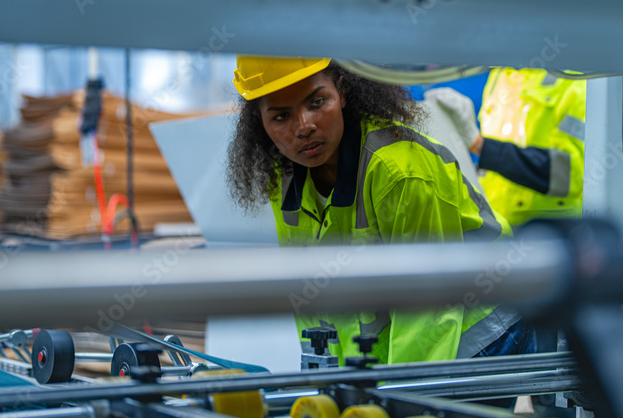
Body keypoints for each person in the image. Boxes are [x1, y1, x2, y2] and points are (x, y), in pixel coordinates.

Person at [227, 56, 534, 366]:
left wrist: (400, 400)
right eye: (281, 116)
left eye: (318, 102)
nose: (304, 126)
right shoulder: (285, 183)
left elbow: (427, 312)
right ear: (260, 122)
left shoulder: (399, 171)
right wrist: (326, 378)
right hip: (410, 339)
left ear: (342, 92)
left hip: (481, 332)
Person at [427, 67, 586, 228]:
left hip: (546, 232)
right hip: (497, 225)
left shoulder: (576, 83)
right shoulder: (502, 74)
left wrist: (481, 146)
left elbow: (573, 174)